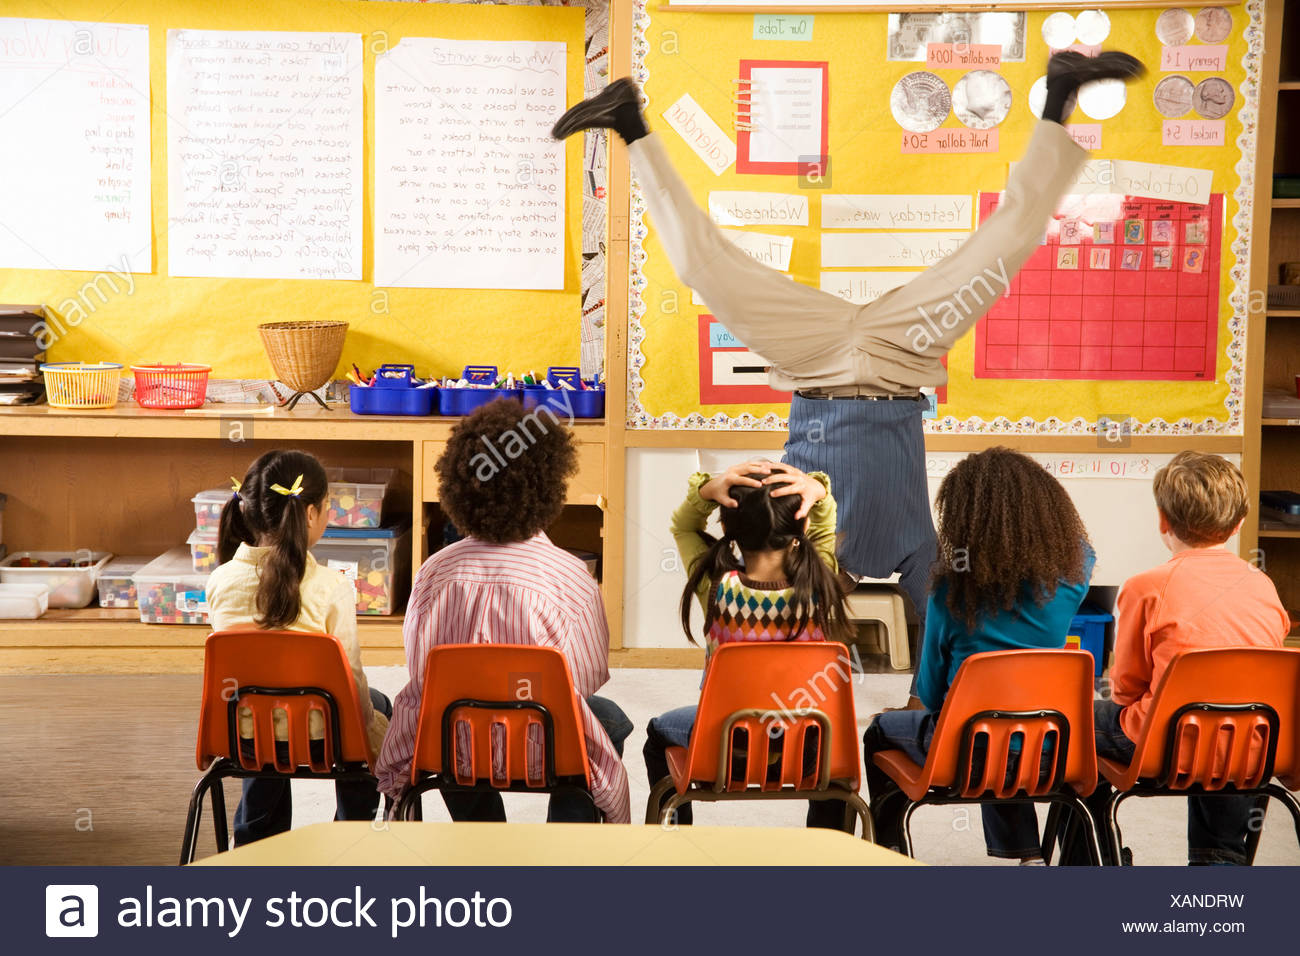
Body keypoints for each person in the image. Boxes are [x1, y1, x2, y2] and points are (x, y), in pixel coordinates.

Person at [553, 50, 1144, 709]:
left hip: (853, 357)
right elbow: (749, 607)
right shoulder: (835, 546)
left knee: (1002, 246)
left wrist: (925, 707)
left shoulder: (830, 542)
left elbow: (943, 620)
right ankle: (629, 121)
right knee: (706, 264)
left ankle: (1058, 99)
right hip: (876, 356)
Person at [376, 400, 632, 823]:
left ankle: (481, 836)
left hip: (453, 748)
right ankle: (566, 843)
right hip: (546, 749)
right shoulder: (572, 578)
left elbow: (421, 669)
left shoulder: (432, 573)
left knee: (436, 719)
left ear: (459, 485)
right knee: (610, 719)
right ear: (550, 486)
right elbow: (585, 680)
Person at [861, 447, 1095, 863]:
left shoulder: (950, 594)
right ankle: (1058, 860)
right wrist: (1039, 519)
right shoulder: (1073, 578)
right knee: (1012, 719)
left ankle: (889, 852)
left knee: (882, 731)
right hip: (1052, 745)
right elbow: (1076, 545)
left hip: (968, 752)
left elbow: (932, 696)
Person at [1059, 452, 1290, 865]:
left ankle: (1093, 857)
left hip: (1164, 744)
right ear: (1238, 524)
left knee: (1073, 722)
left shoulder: (1147, 586)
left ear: (1163, 521)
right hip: (1252, 747)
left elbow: (1126, 688)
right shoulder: (1264, 586)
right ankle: (1219, 859)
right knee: (1224, 730)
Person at [645, 459, 854, 829]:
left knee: (658, 734)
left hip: (726, 751)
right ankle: (829, 850)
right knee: (835, 761)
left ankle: (675, 841)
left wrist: (707, 488)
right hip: (808, 752)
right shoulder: (819, 582)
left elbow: (682, 525)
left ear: (726, 527)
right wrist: (817, 488)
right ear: (802, 526)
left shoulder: (715, 584)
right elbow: (825, 521)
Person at [207, 449, 392, 845]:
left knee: (259, 705)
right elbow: (351, 679)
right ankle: (354, 833)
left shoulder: (220, 581)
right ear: (310, 513)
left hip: (242, 736)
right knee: (378, 704)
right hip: (323, 733)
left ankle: (257, 838)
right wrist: (371, 735)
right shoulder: (331, 586)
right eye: (326, 507)